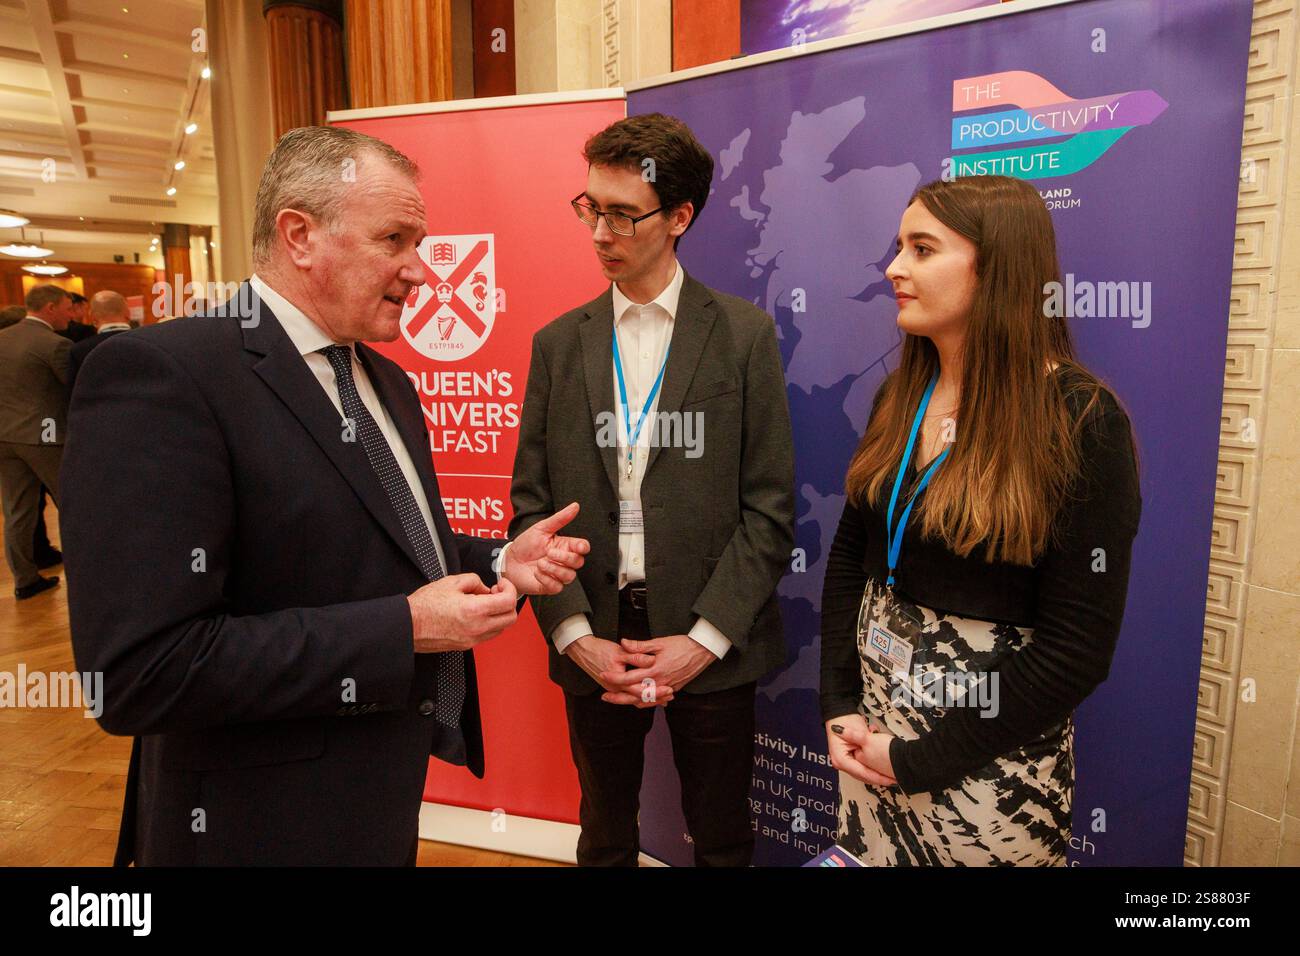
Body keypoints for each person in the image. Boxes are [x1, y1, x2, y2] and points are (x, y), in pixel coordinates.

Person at [61, 125, 590, 866]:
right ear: (299, 235)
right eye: (395, 239)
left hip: (375, 801)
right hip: (253, 827)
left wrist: (504, 560)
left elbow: (378, 545)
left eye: (420, 241)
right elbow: (140, 673)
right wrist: (401, 629)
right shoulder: (162, 376)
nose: (422, 270)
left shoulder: (389, 383)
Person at [818, 175, 1142, 866]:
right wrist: (840, 702)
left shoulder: (1081, 420)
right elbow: (853, 557)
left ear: (996, 269)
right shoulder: (901, 395)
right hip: (871, 740)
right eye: (898, 246)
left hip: (988, 772)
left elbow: (1077, 648)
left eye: (922, 248)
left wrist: (925, 759)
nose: (894, 268)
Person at [510, 113, 795, 867]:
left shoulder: (742, 337)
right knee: (604, 835)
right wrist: (575, 637)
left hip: (710, 641)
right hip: (594, 634)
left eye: (623, 215)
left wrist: (702, 644)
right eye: (589, 209)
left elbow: (768, 513)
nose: (600, 233)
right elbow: (532, 506)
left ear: (679, 218)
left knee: (724, 837)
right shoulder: (556, 344)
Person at [0, 284, 73, 599]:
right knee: (73, 506)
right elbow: (73, 392)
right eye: (68, 307)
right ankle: (87, 574)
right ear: (52, 307)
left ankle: (24, 580)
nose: (71, 315)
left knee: (17, 512)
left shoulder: (2, 339)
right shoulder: (55, 344)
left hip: (6, 437)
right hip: (46, 438)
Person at [69, 290, 133, 391]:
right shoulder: (150, 342)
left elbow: (74, 394)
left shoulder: (79, 351)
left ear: (93, 318)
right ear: (128, 314)